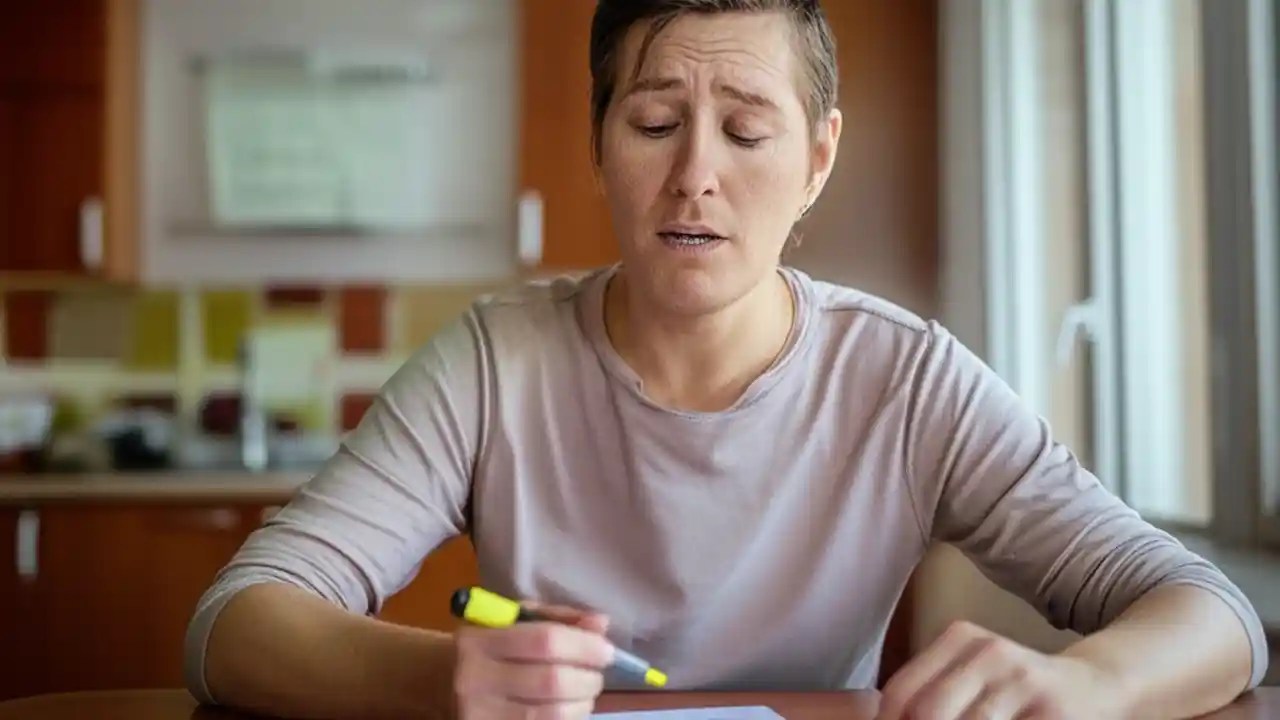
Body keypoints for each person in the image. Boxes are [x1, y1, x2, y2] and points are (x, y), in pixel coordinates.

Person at [185, 1, 1268, 718]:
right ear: (598, 139)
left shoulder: (906, 380)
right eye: (655, 122)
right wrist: (441, 677)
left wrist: (1081, 688)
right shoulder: (489, 363)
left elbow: (1210, 614)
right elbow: (236, 619)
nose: (694, 176)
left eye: (746, 133)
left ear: (816, 158)